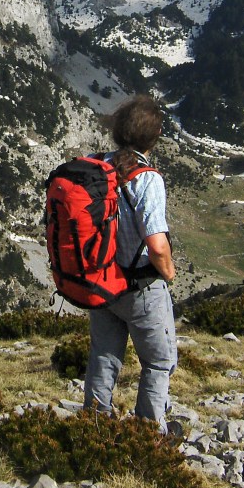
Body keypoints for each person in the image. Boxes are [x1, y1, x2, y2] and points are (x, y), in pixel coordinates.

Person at [82, 94, 178, 434]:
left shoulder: (96, 167)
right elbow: (155, 242)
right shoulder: (147, 178)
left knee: (104, 357)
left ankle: (93, 428)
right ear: (153, 137)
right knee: (158, 360)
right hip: (139, 287)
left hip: (100, 283)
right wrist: (168, 271)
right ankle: (148, 436)